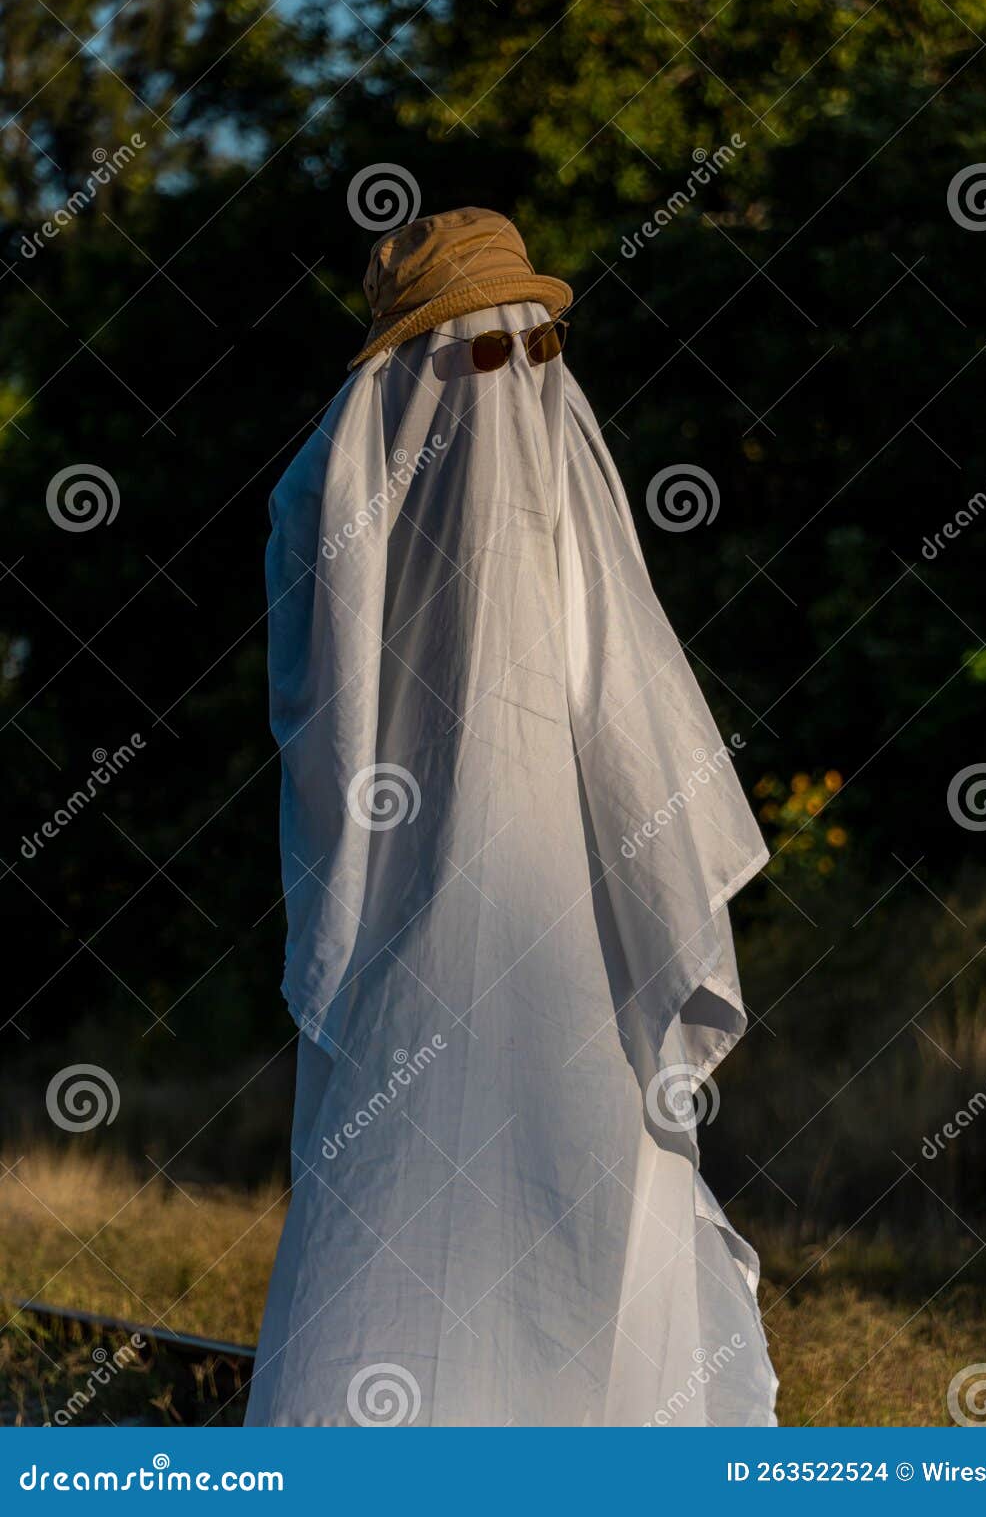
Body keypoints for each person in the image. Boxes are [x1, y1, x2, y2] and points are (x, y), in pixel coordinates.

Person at [244, 207, 777, 1427]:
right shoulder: (350, 483)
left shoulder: (498, 470)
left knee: (561, 1178)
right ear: (416, 356)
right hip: (436, 918)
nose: (513, 371)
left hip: (566, 923)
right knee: (417, 1176)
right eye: (481, 348)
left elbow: (629, 704)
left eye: (530, 345)